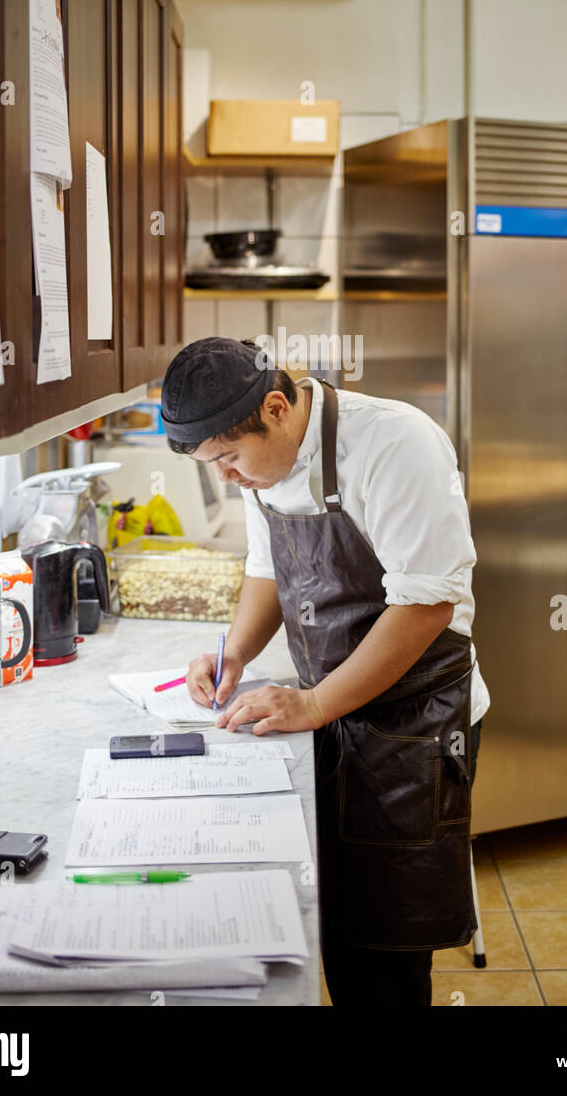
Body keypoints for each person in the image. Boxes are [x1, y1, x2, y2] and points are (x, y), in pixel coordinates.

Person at [160, 336, 489, 1008]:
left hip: (413, 727)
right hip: (334, 714)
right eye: (209, 464)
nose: (224, 476)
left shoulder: (394, 444)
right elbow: (265, 569)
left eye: (226, 457)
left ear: (276, 407)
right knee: (333, 924)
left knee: (385, 951)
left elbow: (425, 603)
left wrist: (312, 707)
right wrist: (234, 656)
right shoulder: (260, 465)